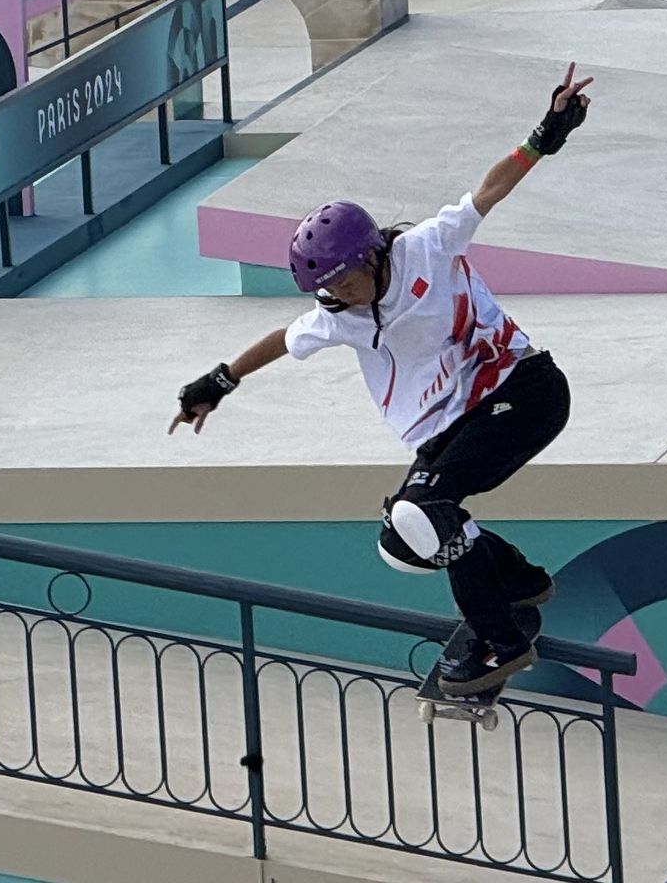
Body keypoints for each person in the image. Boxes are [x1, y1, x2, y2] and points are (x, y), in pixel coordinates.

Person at [170, 64, 595, 696]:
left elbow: (490, 189)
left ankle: (500, 643)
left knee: (426, 511)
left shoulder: (427, 246)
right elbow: (282, 340)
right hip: (458, 422)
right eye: (327, 288)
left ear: (369, 256)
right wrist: (220, 380)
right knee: (402, 539)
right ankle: (521, 582)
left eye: (343, 281)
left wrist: (546, 133)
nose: (337, 295)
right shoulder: (338, 315)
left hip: (522, 390)